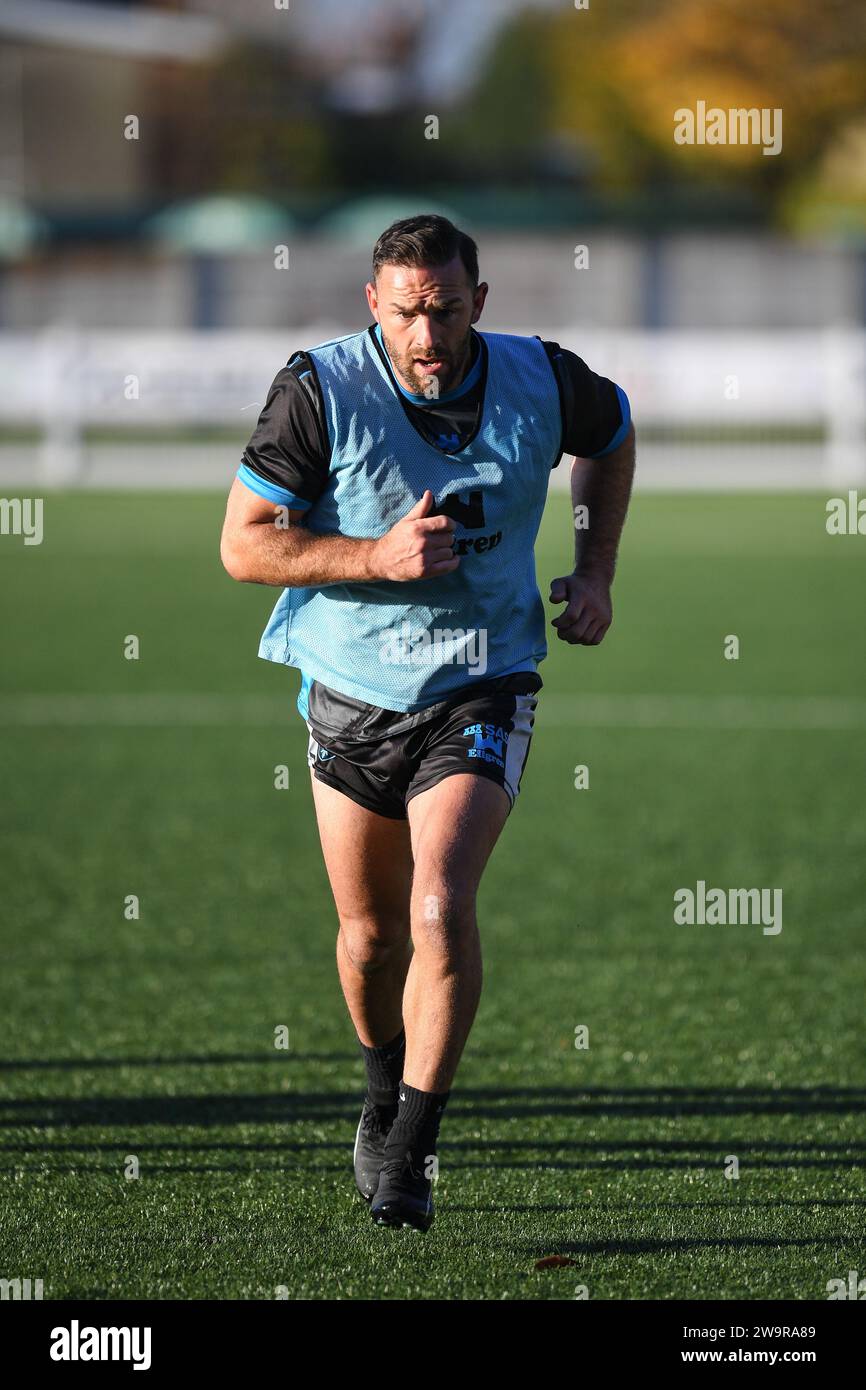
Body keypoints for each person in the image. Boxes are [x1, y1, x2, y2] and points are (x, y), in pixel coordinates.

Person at [220, 214, 635, 1230]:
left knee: (440, 906)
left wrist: (592, 571)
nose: (426, 334)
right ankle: (378, 1087)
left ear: (477, 304)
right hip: (351, 695)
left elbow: (612, 434)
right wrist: (374, 557)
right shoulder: (317, 390)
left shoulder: (541, 376)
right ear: (373, 304)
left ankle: (409, 1153)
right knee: (368, 939)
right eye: (405, 311)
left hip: (483, 683)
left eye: (445, 310)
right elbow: (243, 547)